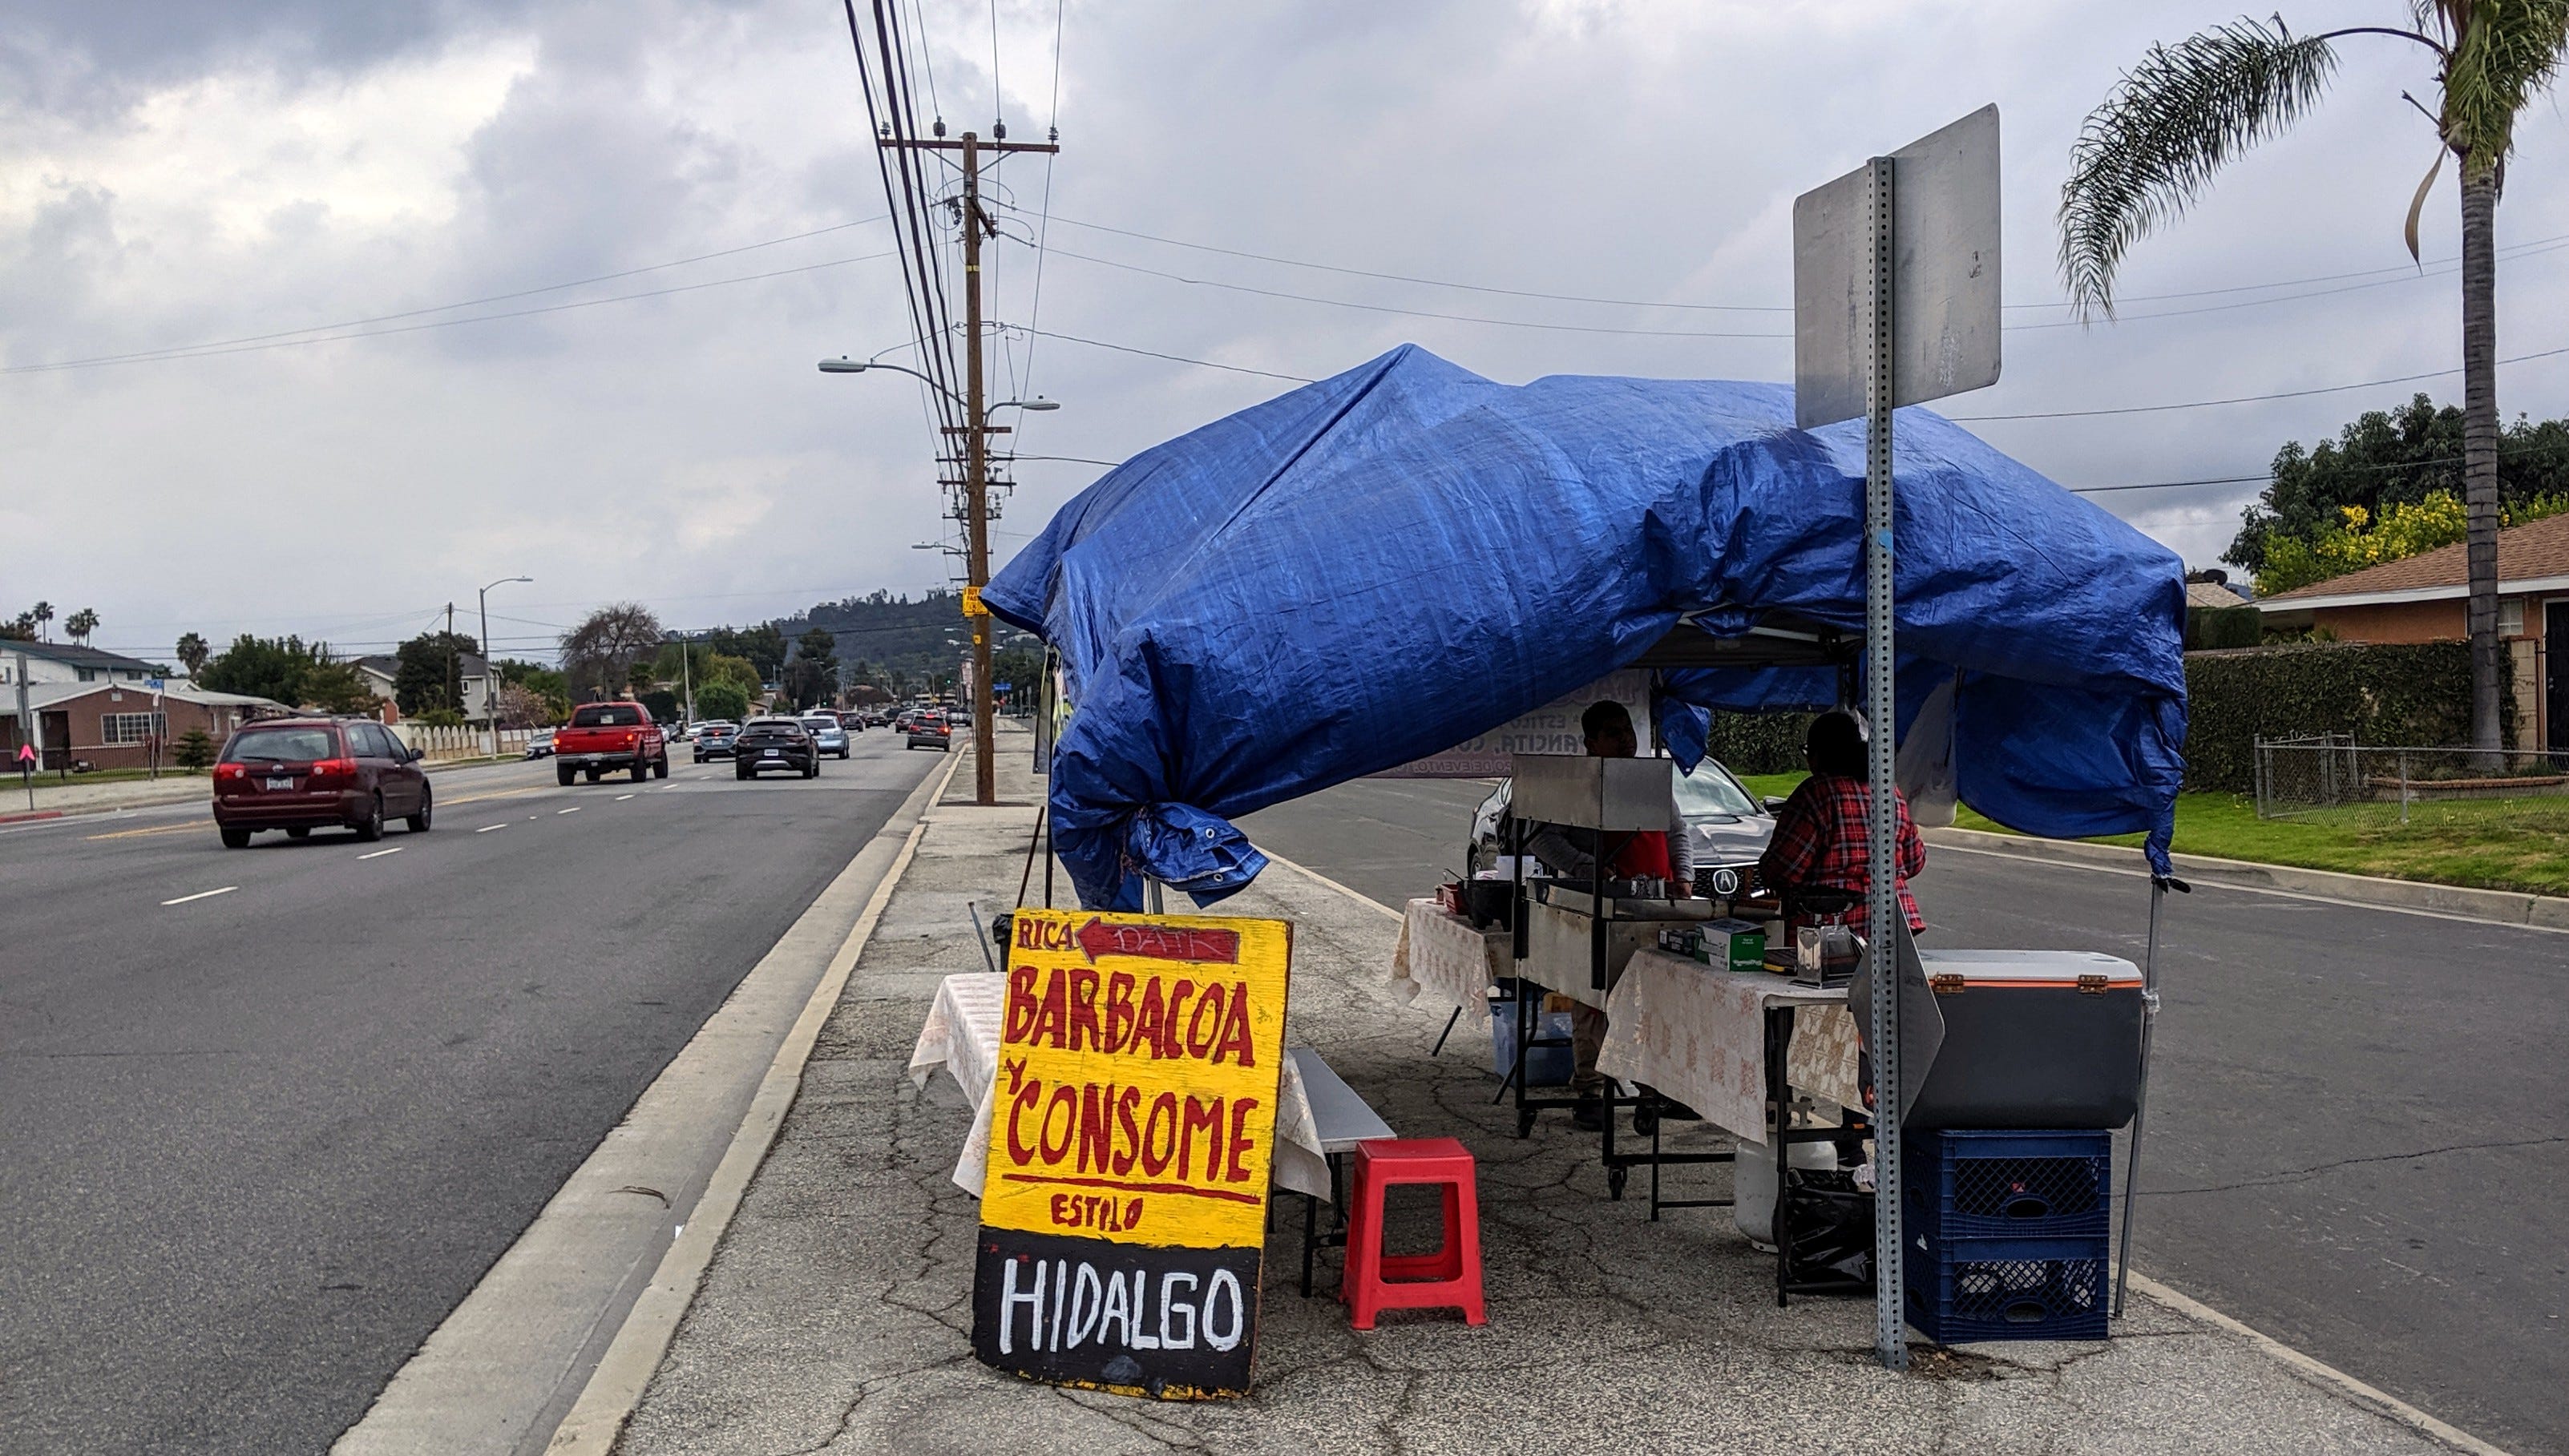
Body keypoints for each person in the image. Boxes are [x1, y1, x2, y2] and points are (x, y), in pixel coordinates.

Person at [1523, 700, 1693, 1131]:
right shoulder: (1578, 784)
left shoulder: (1650, 780)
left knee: (1655, 1001)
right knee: (1593, 1001)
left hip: (1655, 907)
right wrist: (1586, 866)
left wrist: (1685, 877)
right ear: (1591, 742)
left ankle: (1653, 1089)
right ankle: (1590, 1089)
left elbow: (1677, 831)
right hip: (1598, 910)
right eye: (1614, 733)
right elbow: (1541, 839)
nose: (1626, 739)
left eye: (1628, 731)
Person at [1756, 710, 1926, 938]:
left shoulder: (1816, 793)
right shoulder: (1890, 792)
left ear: (1818, 754)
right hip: (1893, 922)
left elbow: (1783, 868)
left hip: (1831, 926)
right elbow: (1915, 861)